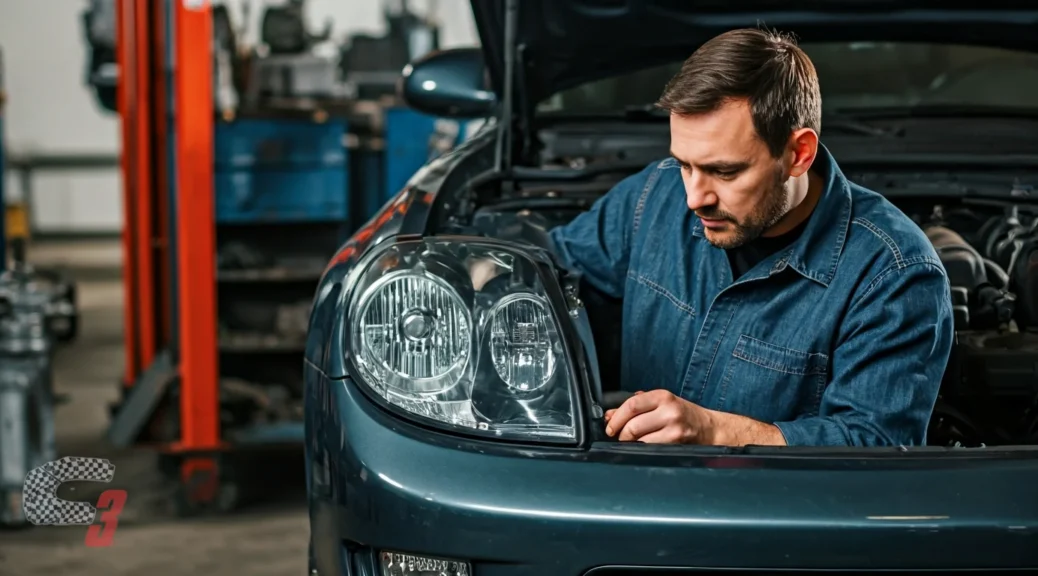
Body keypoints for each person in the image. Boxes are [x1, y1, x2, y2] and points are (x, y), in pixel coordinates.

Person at [547, 28, 955, 447]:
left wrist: (714, 431)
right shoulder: (652, 194)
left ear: (798, 154)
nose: (693, 197)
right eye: (685, 164)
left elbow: (875, 444)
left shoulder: (893, 274)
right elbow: (552, 271)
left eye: (725, 172)